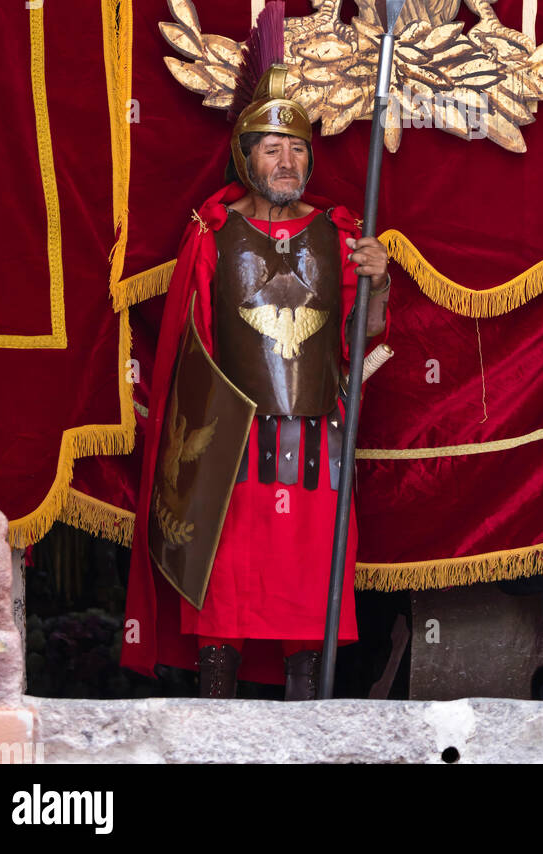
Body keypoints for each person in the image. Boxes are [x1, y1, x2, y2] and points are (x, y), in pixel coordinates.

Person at [122, 55, 390, 699]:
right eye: (272, 149)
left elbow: (366, 332)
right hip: (233, 439)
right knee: (227, 577)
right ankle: (218, 717)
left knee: (308, 578)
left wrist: (377, 279)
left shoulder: (343, 232)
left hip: (315, 439)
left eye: (297, 149)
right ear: (246, 158)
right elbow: (194, 346)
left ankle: (307, 720)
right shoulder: (212, 234)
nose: (287, 162)